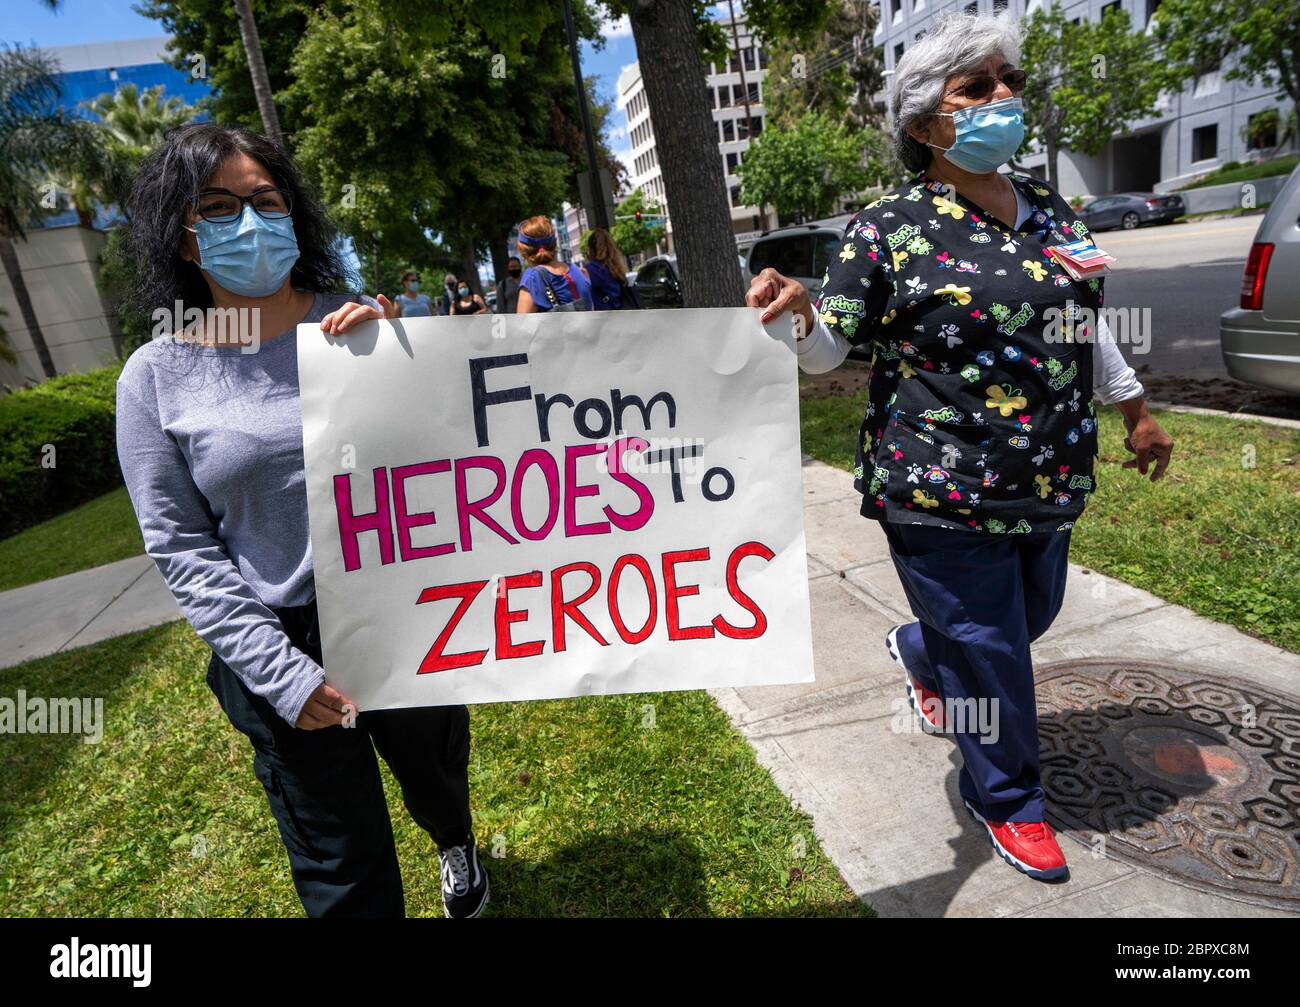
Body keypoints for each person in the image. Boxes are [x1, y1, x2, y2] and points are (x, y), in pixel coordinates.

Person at [746, 13, 1173, 883]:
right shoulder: (886, 228)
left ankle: (919, 650)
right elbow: (834, 349)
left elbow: (1083, 324)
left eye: (1006, 81)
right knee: (990, 645)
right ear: (923, 125)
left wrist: (1134, 409)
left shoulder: (1052, 208)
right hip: (935, 482)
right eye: (975, 89)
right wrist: (797, 313)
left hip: (1048, 471)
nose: (1002, 99)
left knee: (1028, 618)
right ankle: (1009, 797)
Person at [115, 122, 489, 918]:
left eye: (264, 200)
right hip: (280, 639)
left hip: (403, 610)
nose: (249, 222)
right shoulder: (154, 378)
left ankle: (454, 839)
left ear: (294, 216)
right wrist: (279, 671)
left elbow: (455, 458)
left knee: (433, 764)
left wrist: (400, 360)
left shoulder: (359, 330)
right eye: (216, 209)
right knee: (339, 857)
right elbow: (182, 548)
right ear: (181, 242)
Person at [514, 216, 592, 313]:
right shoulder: (577, 271)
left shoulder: (531, 278)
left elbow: (521, 325)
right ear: (554, 243)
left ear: (523, 251)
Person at [583, 228, 642, 310]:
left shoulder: (589, 270)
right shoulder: (617, 267)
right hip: (624, 314)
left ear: (591, 249)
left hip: (604, 319)